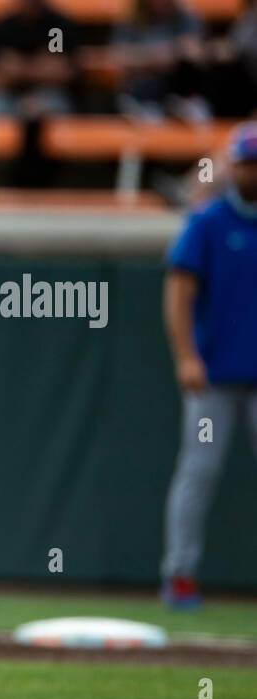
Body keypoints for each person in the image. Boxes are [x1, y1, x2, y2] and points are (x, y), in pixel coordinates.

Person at [160, 123, 257, 609]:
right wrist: (186, 356)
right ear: (233, 165)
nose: (252, 172)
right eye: (246, 162)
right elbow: (178, 290)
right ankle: (179, 575)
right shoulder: (208, 221)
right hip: (214, 375)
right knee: (198, 472)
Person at [0, 0, 81, 188]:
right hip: (6, 97)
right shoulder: (1, 26)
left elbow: (63, 72)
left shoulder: (59, 24)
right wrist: (39, 68)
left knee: (36, 111)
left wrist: (19, 69)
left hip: (50, 96)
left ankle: (32, 187)